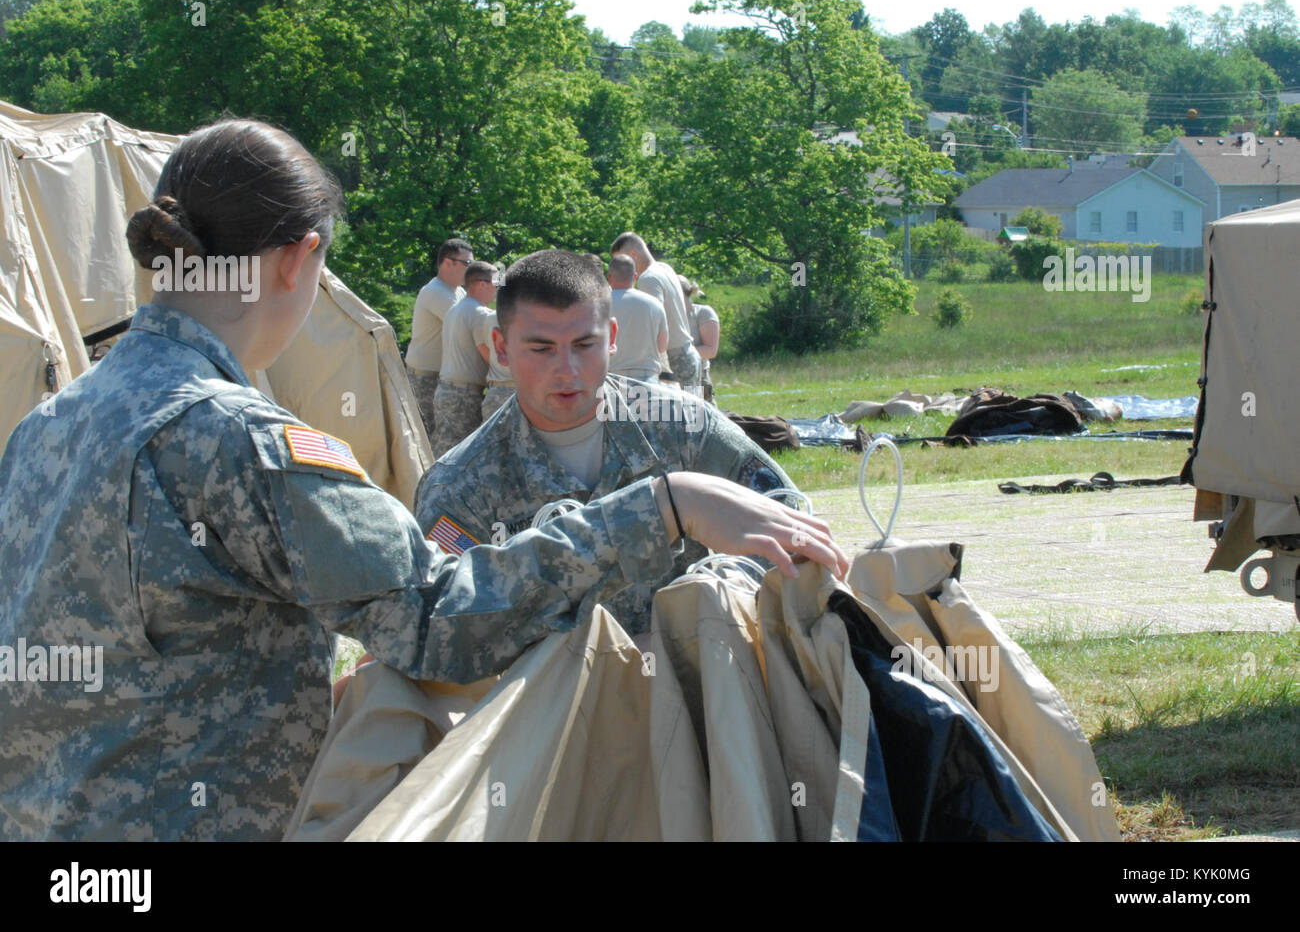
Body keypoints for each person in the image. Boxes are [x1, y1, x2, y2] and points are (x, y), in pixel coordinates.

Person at [0, 119, 846, 842]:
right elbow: (438, 620)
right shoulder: (242, 444)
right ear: (301, 260)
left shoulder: (46, 427)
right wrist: (667, 505)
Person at [414, 249, 805, 633]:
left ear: (611, 337)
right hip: (553, 695)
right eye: (541, 349)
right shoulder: (460, 485)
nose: (566, 371)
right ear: (501, 348)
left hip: (696, 683)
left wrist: (721, 596)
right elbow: (441, 625)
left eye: (585, 345)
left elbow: (792, 522)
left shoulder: (684, 426)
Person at [609, 232, 701, 392]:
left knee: (675, 415)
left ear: (633, 255)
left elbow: (653, 326)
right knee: (695, 413)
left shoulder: (647, 279)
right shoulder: (665, 268)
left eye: (625, 259)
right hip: (689, 353)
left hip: (673, 360)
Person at [406, 237, 472, 440]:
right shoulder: (435, 292)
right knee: (424, 437)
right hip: (425, 378)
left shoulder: (458, 292)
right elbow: (469, 325)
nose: (471, 270)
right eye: (467, 264)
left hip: (438, 377)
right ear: (447, 262)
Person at [431, 260, 496, 456]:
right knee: (459, 456)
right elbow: (489, 354)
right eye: (496, 284)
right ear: (482, 284)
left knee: (443, 451)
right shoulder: (480, 313)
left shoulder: (455, 309)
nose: (498, 290)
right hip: (464, 394)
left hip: (447, 389)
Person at [607, 253, 667, 385]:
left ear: (609, 277)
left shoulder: (597, 304)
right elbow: (662, 347)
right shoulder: (655, 304)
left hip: (611, 379)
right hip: (647, 379)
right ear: (635, 276)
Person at [682, 276, 720, 404]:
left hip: (697, 378)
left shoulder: (703, 313)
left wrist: (676, 352)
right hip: (670, 379)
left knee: (698, 420)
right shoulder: (665, 314)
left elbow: (711, 350)